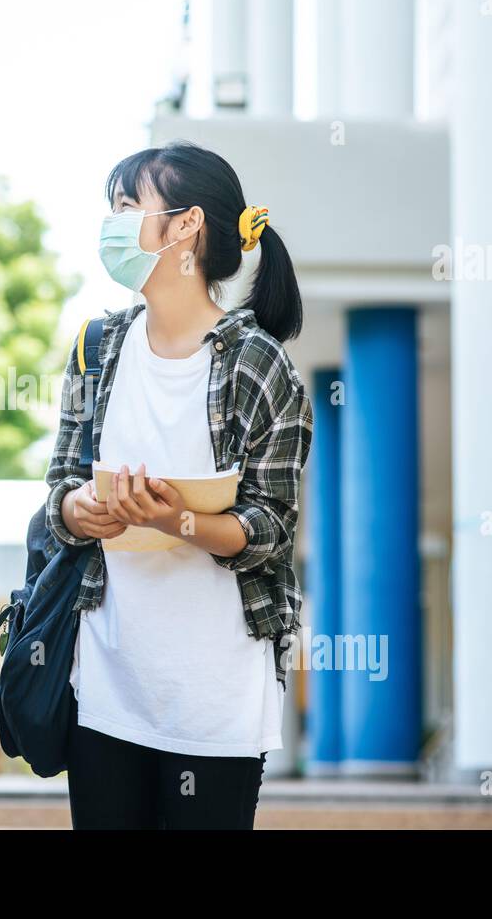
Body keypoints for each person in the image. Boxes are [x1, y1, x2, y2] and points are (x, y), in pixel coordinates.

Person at [45, 141, 313, 829]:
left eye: (130, 205)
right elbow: (59, 494)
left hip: (215, 701)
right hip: (106, 686)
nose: (116, 221)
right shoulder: (98, 348)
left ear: (187, 224)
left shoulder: (260, 363)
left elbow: (270, 533)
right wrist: (84, 511)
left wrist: (178, 520)